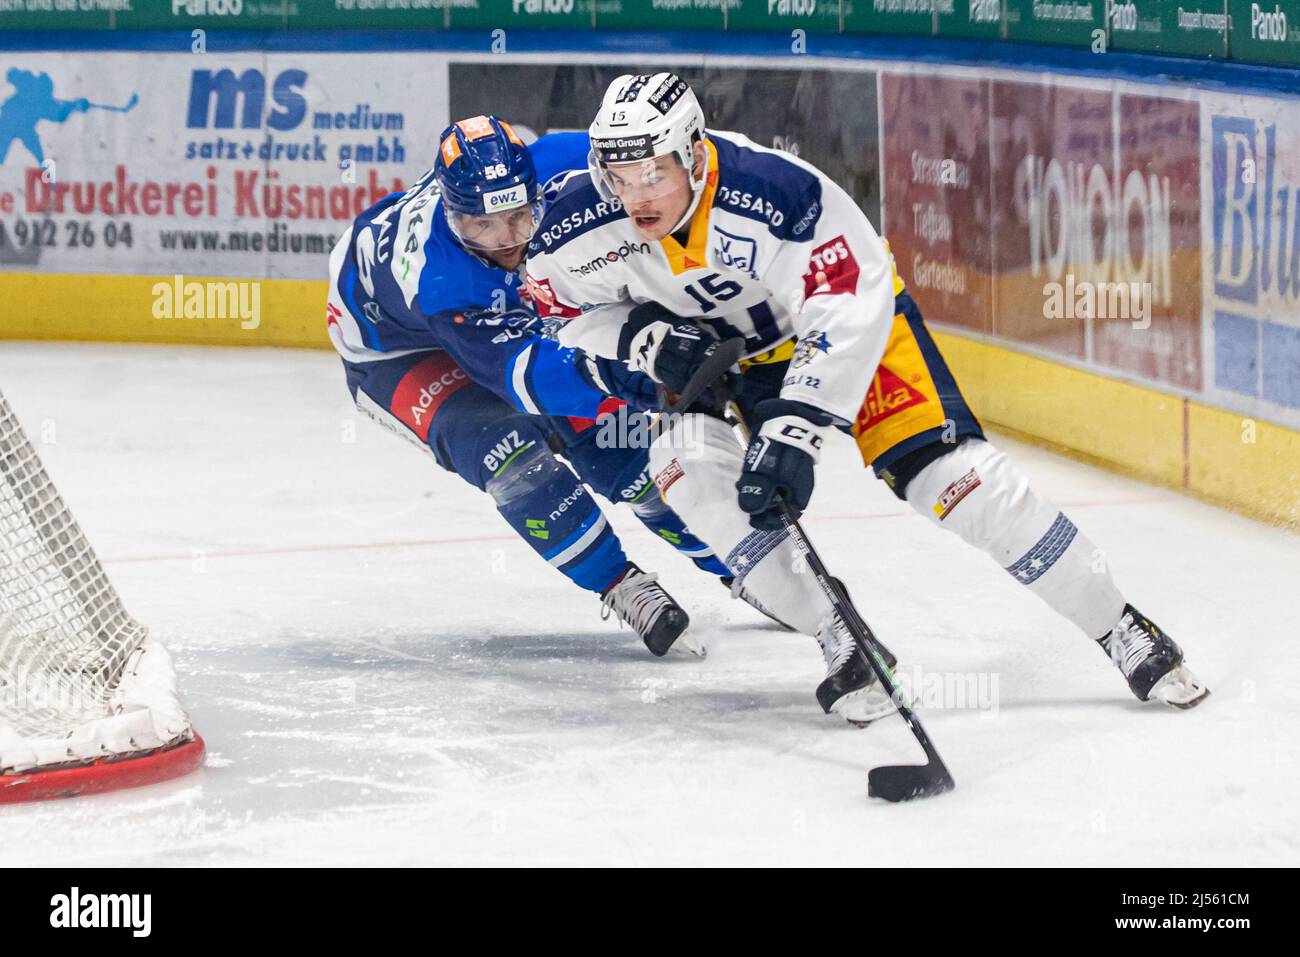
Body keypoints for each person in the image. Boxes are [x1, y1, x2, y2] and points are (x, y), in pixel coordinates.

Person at [524, 73, 1209, 721]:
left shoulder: (776, 192)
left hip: (840, 332)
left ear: (694, 155)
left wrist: (793, 431)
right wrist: (641, 338)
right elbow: (557, 309)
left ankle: (1120, 623)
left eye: (652, 173)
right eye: (617, 177)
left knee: (957, 481)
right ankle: (840, 635)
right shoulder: (579, 225)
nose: (635, 194)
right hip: (714, 358)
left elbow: (848, 299)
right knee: (688, 477)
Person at [326, 114, 732, 657]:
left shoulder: (570, 159)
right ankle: (621, 585)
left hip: (488, 317)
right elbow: (526, 377)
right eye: (483, 227)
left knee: (623, 443)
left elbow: (682, 167)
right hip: (392, 355)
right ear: (452, 214)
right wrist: (649, 383)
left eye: (520, 216)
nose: (507, 240)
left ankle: (735, 560)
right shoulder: (441, 276)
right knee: (509, 452)